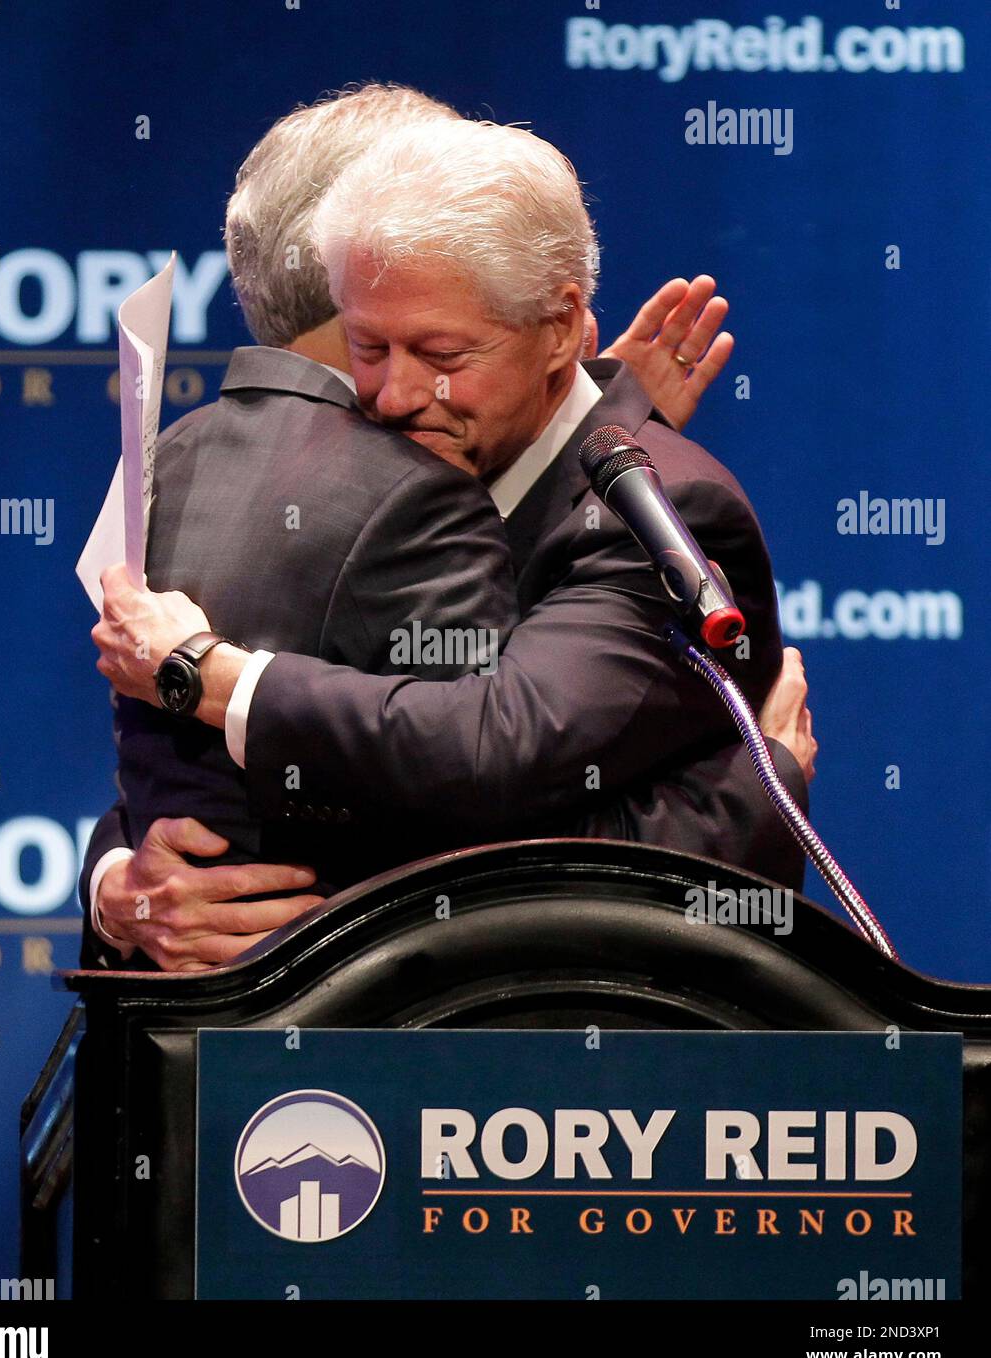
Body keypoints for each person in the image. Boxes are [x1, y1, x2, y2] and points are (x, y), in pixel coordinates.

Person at [84, 97, 815, 974]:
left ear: (557, 330)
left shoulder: (659, 512)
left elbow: (499, 780)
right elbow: (210, 781)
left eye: (440, 355)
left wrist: (206, 673)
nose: (392, 396)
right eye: (368, 347)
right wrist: (123, 886)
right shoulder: (327, 481)